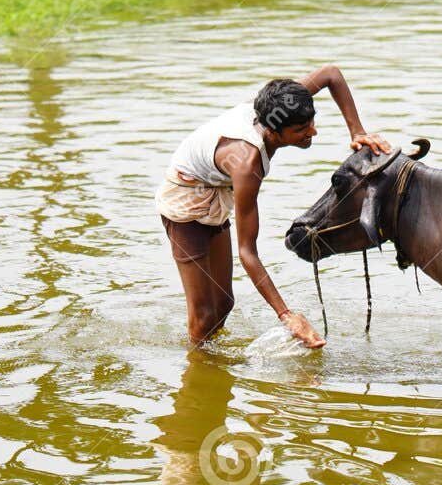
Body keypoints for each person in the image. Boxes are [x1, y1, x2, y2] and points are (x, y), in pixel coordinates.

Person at [157, 67, 389, 348]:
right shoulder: (246, 164)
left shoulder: (284, 103)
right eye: (301, 130)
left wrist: (358, 132)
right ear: (273, 132)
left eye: (312, 122)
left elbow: (331, 75)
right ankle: (196, 367)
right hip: (186, 204)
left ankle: (210, 363)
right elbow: (248, 252)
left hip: (215, 188)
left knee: (224, 303)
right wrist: (287, 316)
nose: (312, 132)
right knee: (204, 315)